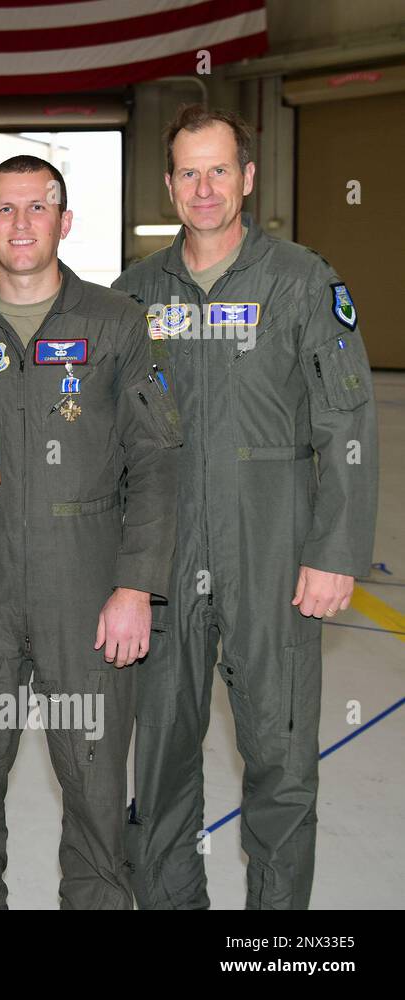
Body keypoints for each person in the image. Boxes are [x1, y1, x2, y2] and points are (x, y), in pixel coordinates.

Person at [113, 105, 379, 910]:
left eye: (218, 169)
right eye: (188, 172)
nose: (203, 187)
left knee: (280, 760)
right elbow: (112, 437)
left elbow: (348, 423)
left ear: (248, 178)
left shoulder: (301, 280)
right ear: (168, 184)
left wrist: (336, 550)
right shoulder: (133, 293)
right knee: (159, 761)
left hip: (272, 550)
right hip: (164, 557)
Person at [0, 155, 182, 910]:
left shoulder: (117, 323)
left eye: (39, 208)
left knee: (97, 791)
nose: (22, 223)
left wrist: (136, 585)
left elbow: (157, 463)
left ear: (65, 222)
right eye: (5, 209)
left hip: (88, 584)